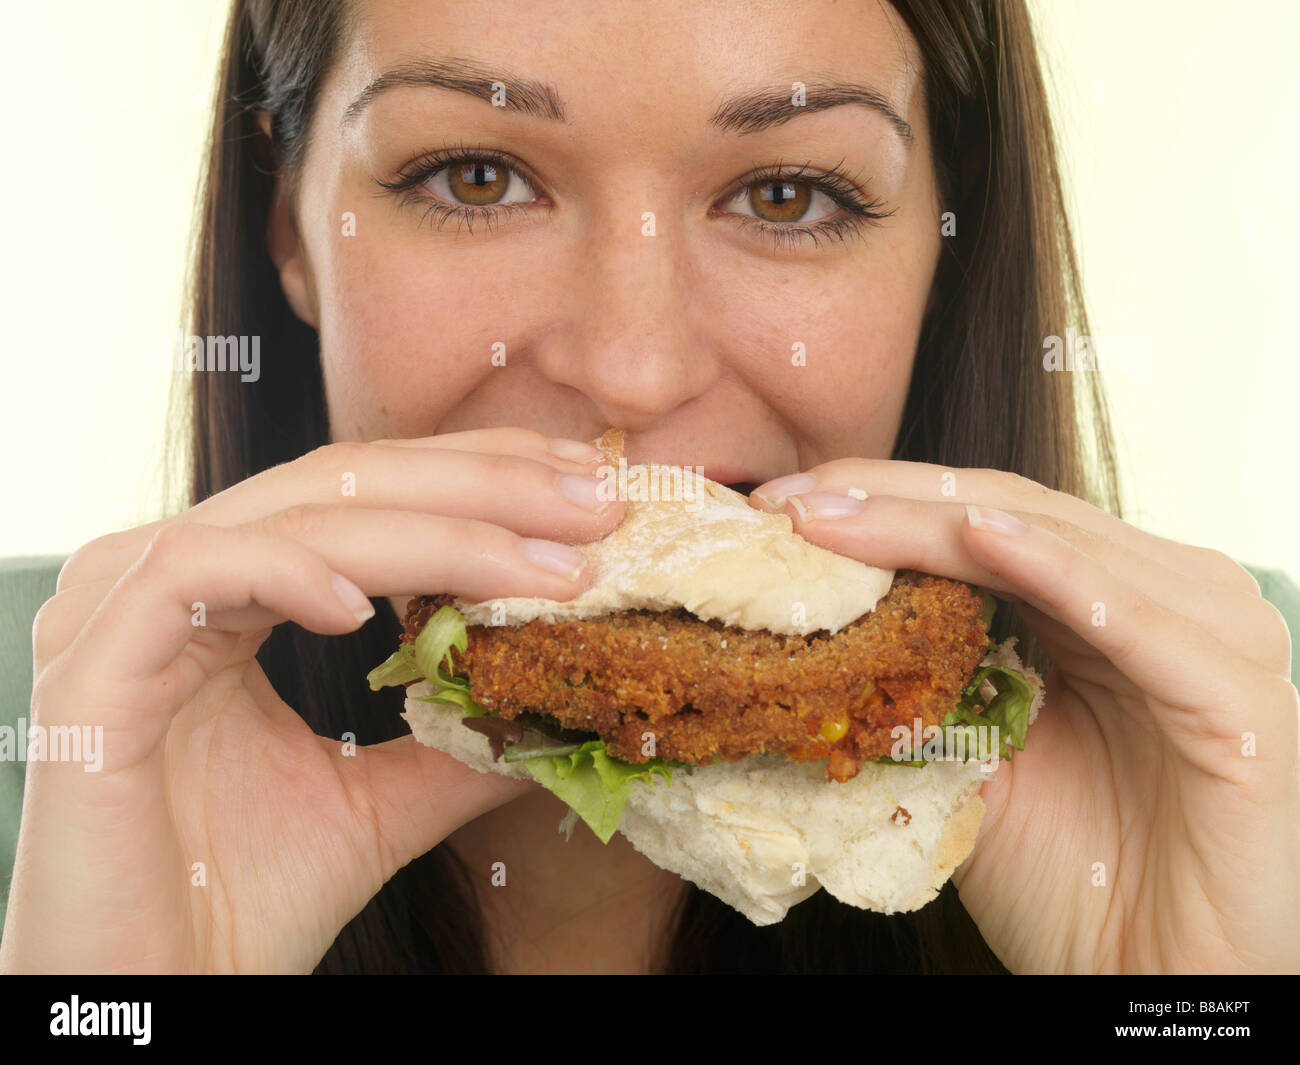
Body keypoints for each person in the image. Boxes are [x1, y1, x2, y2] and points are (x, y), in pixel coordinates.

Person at [2, 0, 1297, 975]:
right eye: (474, 176)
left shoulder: (1239, 737)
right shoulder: (65, 738)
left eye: (788, 192)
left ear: (948, 250)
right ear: (292, 224)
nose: (632, 369)